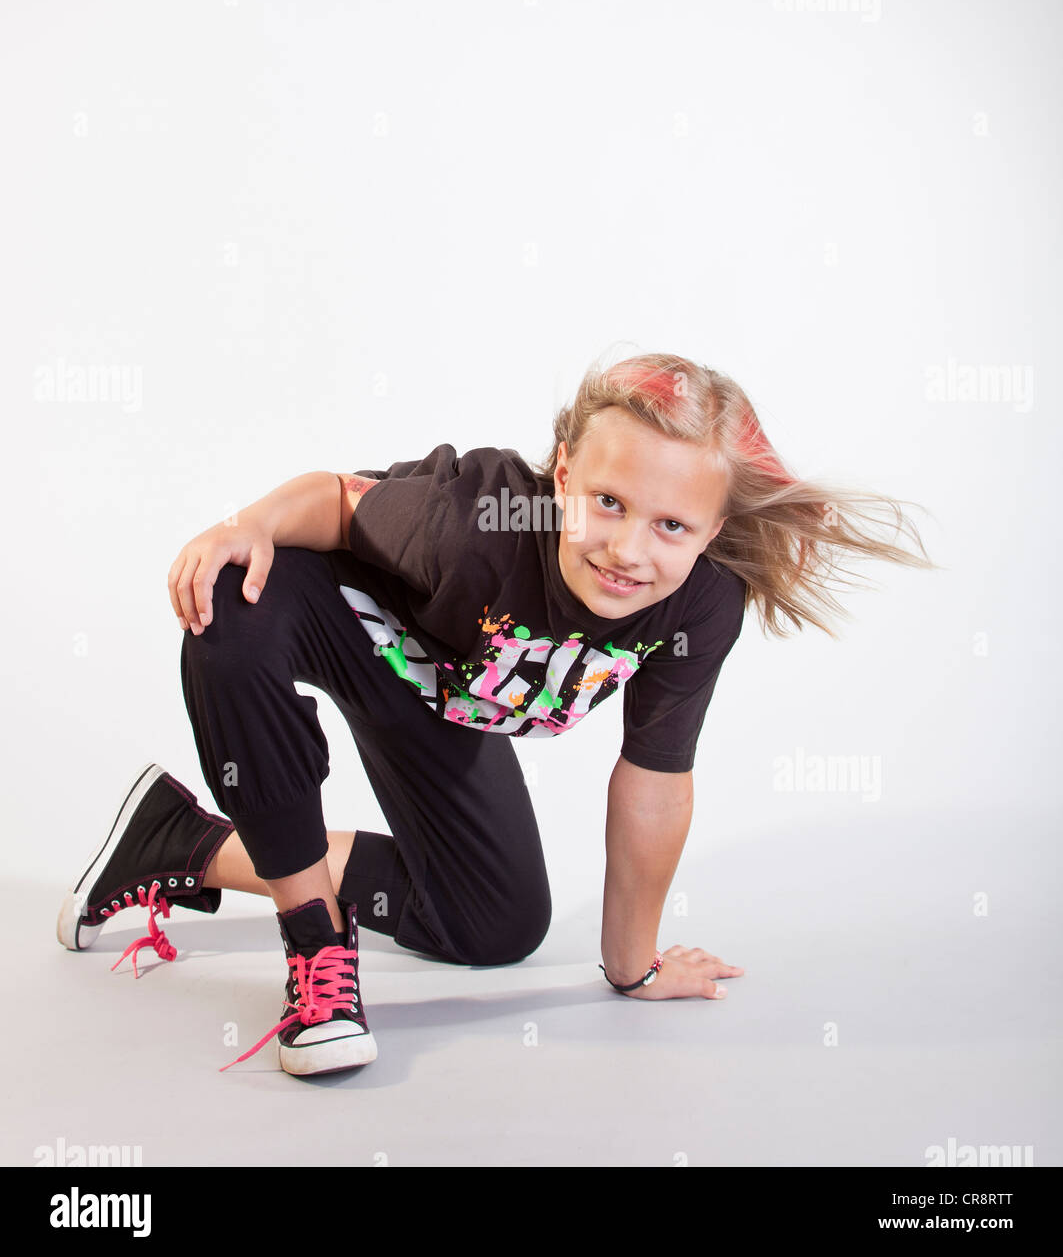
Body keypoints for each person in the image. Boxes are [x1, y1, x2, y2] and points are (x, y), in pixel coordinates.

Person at [56, 350, 938, 1077]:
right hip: (342, 623)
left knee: (495, 924)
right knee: (232, 605)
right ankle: (314, 944)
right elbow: (334, 498)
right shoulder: (474, 522)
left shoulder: (701, 606)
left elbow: (656, 777)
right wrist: (243, 523)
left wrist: (632, 971)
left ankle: (181, 844)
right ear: (563, 475)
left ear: (712, 530)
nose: (628, 550)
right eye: (607, 503)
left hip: (441, 706)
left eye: (672, 526)